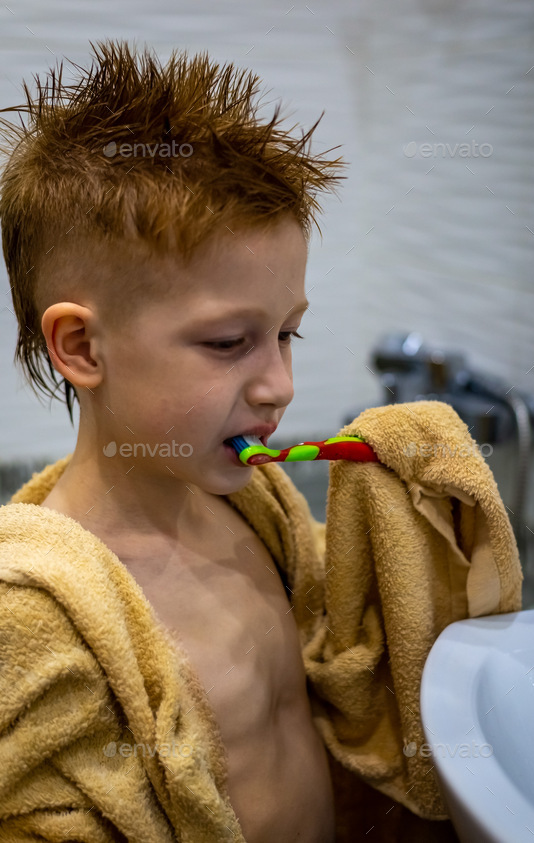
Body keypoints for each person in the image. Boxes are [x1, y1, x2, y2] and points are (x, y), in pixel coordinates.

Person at [0, 39, 346, 842]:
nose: (279, 384)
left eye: (287, 334)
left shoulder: (258, 516)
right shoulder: (45, 617)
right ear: (82, 347)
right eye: (229, 343)